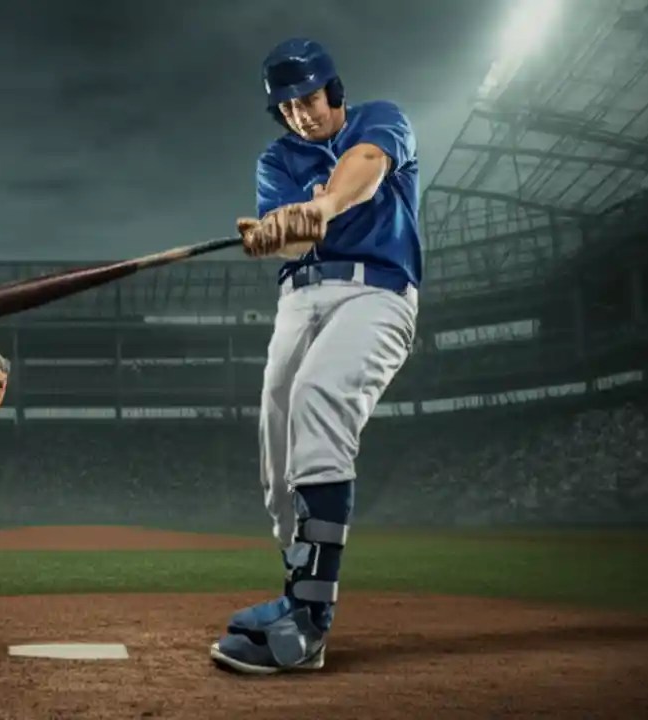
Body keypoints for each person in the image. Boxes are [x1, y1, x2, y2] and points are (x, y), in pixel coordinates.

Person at [209, 38, 422, 674]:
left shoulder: (379, 119)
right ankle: (295, 591)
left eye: (309, 99)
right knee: (279, 460)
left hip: (375, 290)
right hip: (299, 301)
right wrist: (271, 235)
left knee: (318, 398)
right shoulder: (276, 159)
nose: (301, 114)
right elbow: (284, 240)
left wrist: (319, 207)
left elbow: (365, 167)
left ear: (333, 90)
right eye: (288, 106)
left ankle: (311, 620)